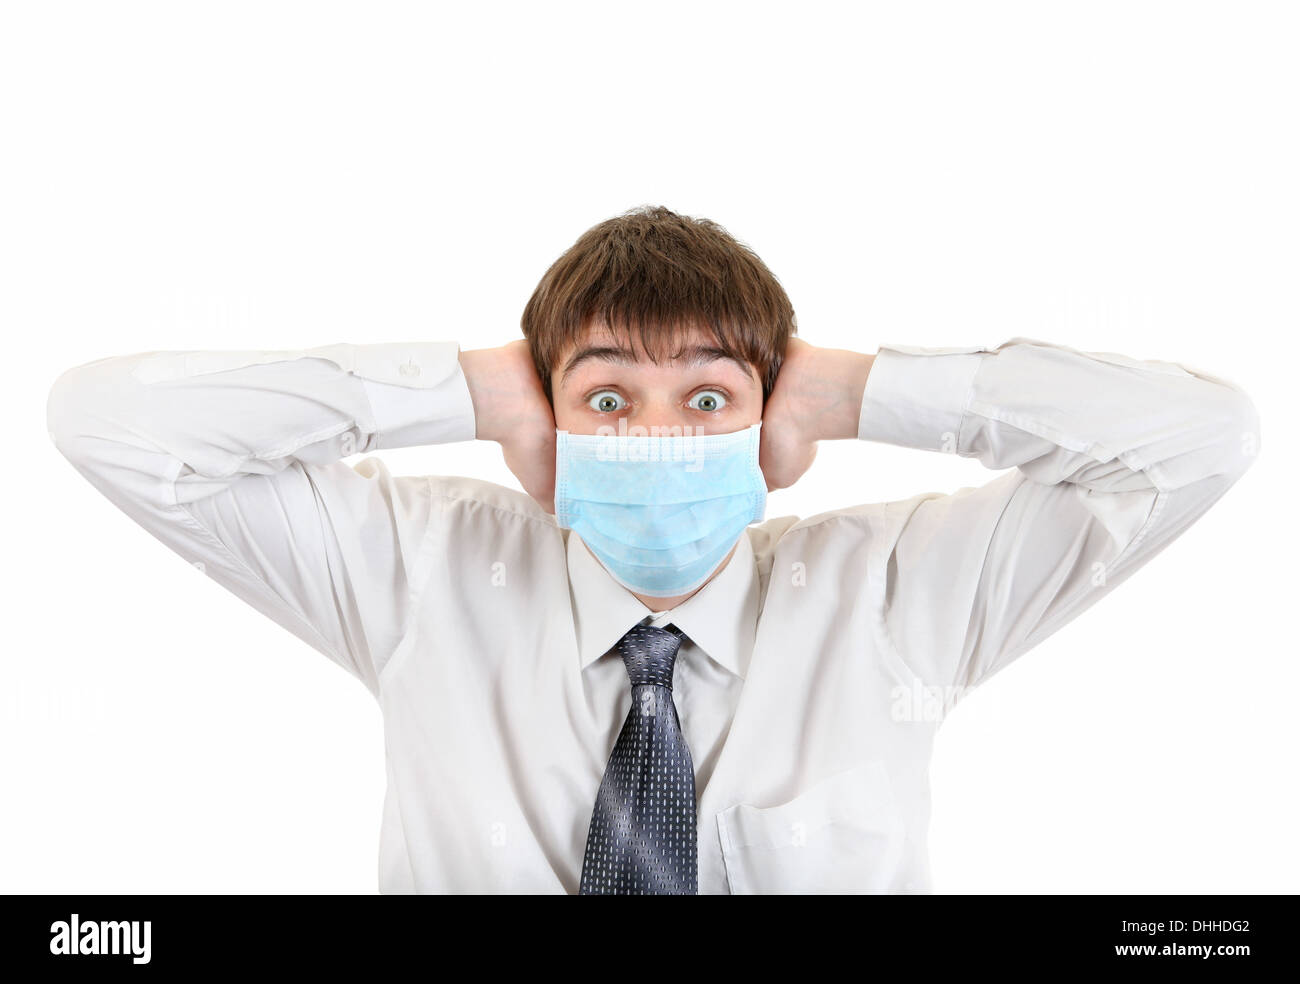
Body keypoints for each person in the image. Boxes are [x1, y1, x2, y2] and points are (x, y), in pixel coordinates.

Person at [45, 205, 1261, 894]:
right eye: (609, 400)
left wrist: (857, 391)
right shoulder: (411, 574)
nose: (661, 434)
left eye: (710, 398)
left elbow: (1201, 442)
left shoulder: (900, 598)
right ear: (547, 417)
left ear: (769, 416)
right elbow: (114, 425)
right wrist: (468, 391)